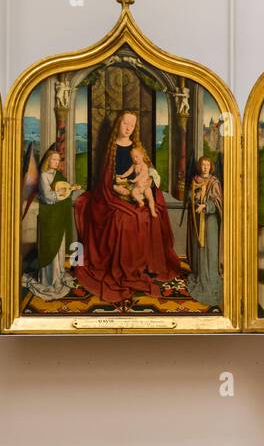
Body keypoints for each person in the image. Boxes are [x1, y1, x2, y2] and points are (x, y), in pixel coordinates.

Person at [73, 110, 182, 307]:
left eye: (132, 124)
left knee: (147, 215)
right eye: (125, 123)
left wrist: (149, 180)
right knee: (122, 220)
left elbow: (150, 171)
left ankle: (143, 266)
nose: (128, 127)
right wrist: (115, 187)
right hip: (113, 196)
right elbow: (107, 178)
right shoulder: (113, 148)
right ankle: (123, 267)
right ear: (119, 124)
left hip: (136, 190)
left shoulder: (137, 148)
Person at [25, 147, 81, 301]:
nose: (56, 162)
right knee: (51, 248)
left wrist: (71, 188)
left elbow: (65, 190)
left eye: (58, 160)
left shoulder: (59, 175)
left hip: (59, 217)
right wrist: (63, 192)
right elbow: (48, 197)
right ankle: (50, 280)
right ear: (48, 161)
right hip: (49, 218)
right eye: (53, 159)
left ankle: (59, 276)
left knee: (60, 247)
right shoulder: (43, 176)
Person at [184, 155, 224, 307]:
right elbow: (189, 196)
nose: (205, 167)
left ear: (211, 166)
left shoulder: (214, 183)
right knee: (199, 249)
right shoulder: (195, 180)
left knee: (210, 250)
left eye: (208, 165)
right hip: (197, 221)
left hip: (210, 222)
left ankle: (210, 279)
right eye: (203, 164)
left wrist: (206, 205)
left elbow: (218, 202)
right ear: (200, 166)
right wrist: (194, 197)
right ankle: (200, 275)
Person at [116, 146, 158, 218]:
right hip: (138, 186)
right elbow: (128, 172)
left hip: (145, 186)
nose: (135, 159)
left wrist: (134, 180)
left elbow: (141, 175)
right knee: (133, 193)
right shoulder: (134, 165)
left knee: (150, 198)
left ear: (142, 155)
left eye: (136, 157)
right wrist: (122, 176)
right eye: (133, 158)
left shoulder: (144, 166)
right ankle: (140, 202)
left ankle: (152, 211)